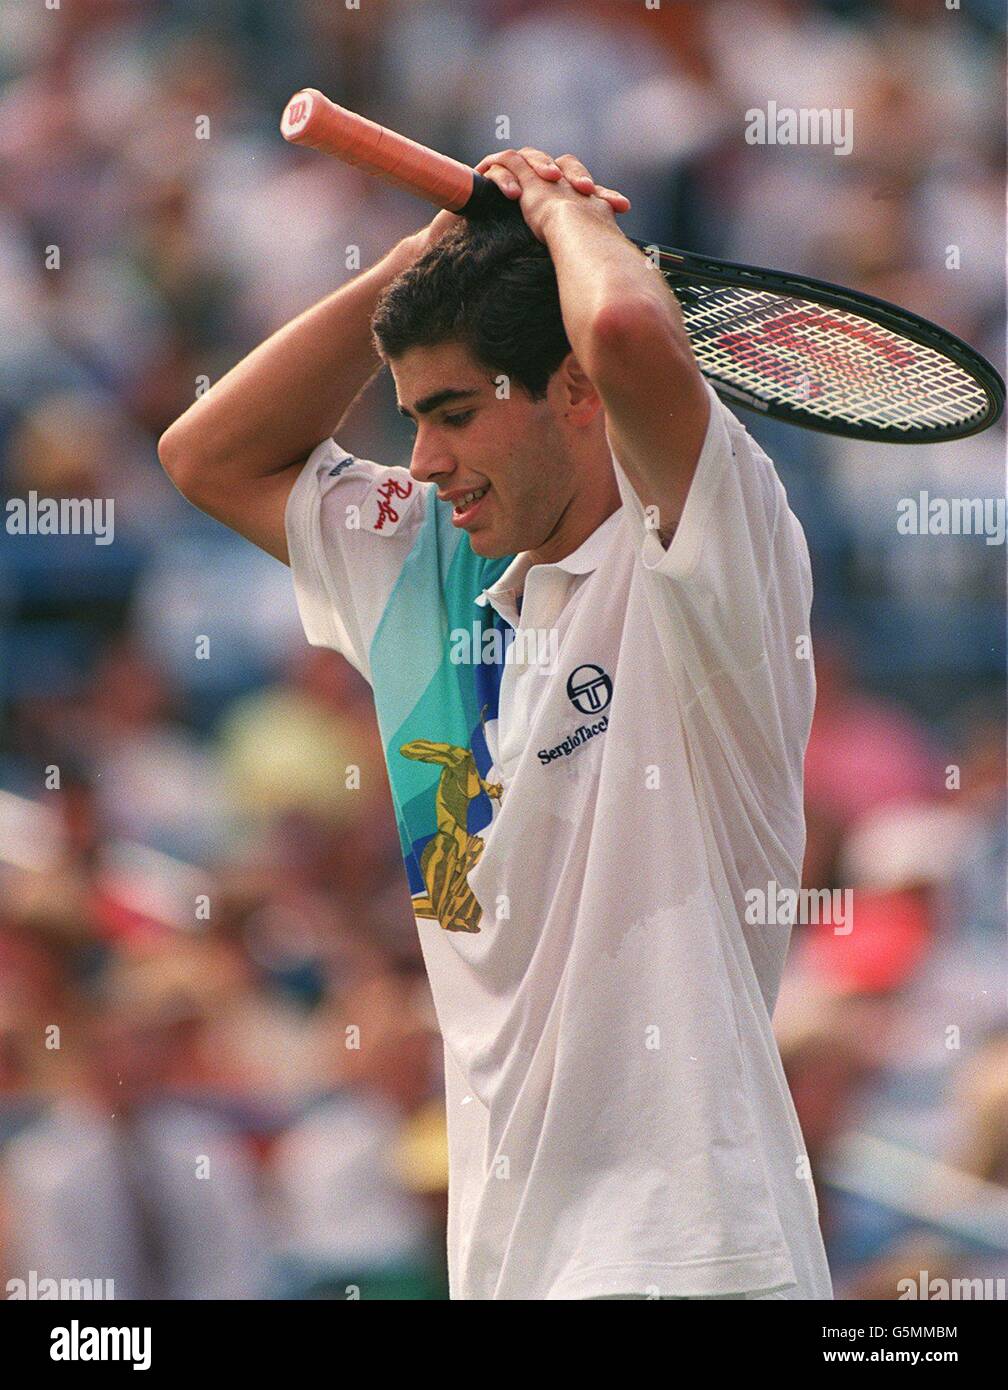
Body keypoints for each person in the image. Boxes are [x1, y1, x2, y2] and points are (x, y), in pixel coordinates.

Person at [158, 145, 832, 1301]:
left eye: (456, 413)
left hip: (700, 1258)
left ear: (572, 393)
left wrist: (565, 211)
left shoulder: (708, 554)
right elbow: (205, 451)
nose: (422, 460)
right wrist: (428, 258)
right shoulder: (430, 564)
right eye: (413, 415)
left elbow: (625, 334)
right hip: (507, 1268)